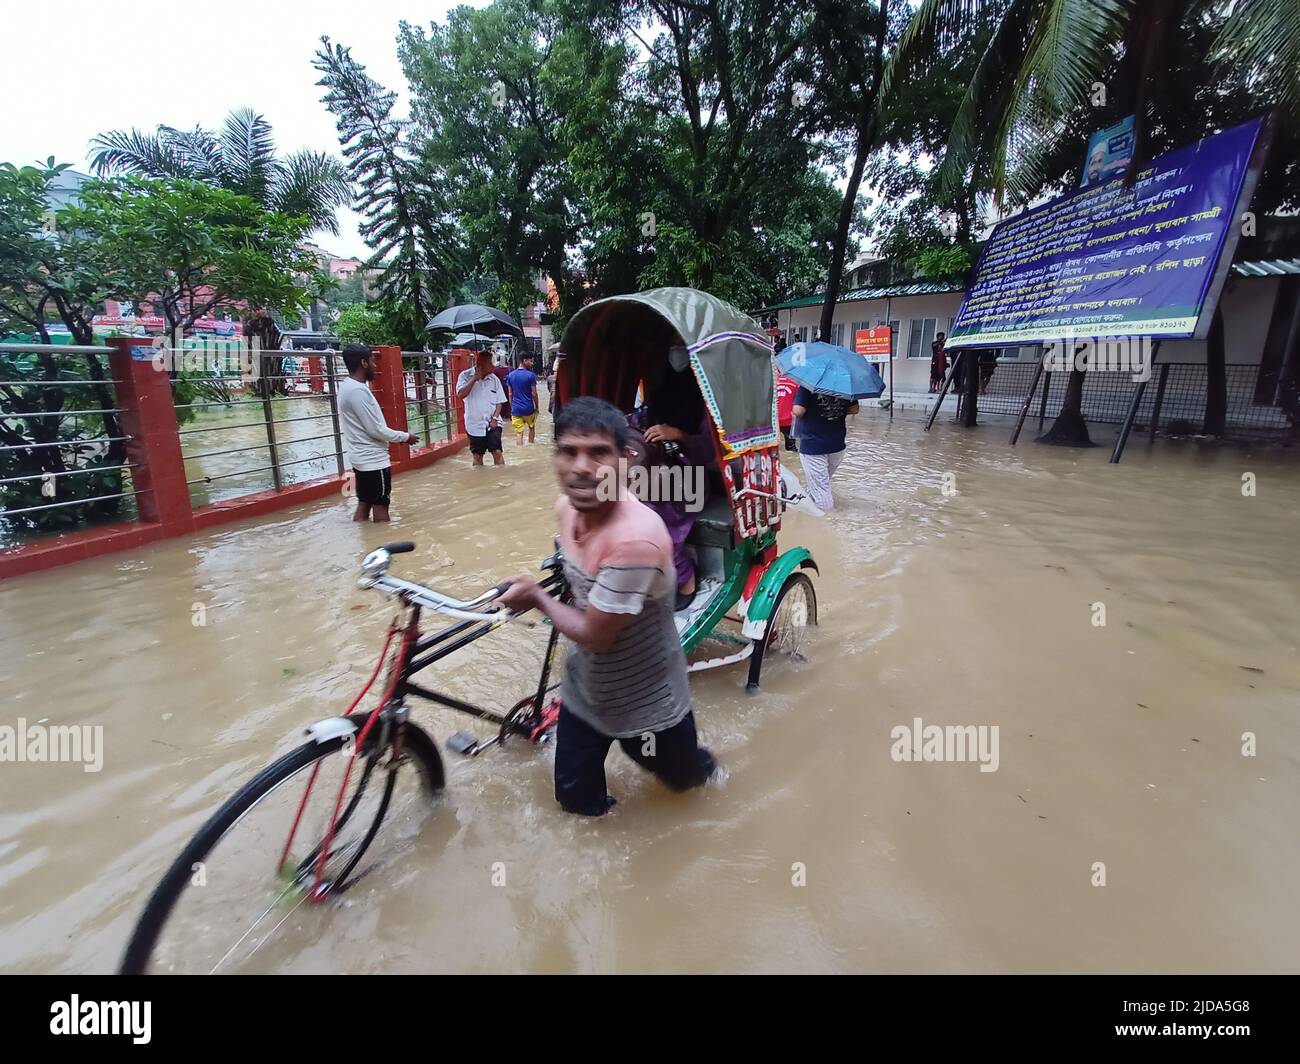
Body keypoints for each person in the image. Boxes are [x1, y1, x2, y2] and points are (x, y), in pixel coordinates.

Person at [497, 397, 716, 817]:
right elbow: (577, 584)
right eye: (568, 451)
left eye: (598, 452)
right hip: (586, 692)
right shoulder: (565, 509)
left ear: (624, 459)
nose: (582, 466)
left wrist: (537, 598)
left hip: (649, 701)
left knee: (687, 784)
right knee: (577, 804)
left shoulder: (635, 538)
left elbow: (597, 636)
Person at [634, 346, 711, 610]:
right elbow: (637, 421)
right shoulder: (657, 398)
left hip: (692, 477)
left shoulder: (704, 405)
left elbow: (710, 451)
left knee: (656, 518)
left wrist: (677, 434)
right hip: (656, 471)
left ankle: (686, 578)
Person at [338, 343, 420, 522]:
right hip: (374, 461)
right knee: (381, 506)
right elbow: (376, 430)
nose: (375, 365)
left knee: (364, 502)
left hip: (361, 459)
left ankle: (366, 542)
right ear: (363, 363)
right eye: (371, 361)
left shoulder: (346, 387)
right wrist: (405, 437)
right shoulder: (358, 391)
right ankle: (383, 544)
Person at [793, 386, 858, 512]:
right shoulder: (845, 385)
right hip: (837, 445)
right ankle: (806, 512)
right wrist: (836, 411)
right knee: (819, 484)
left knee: (821, 490)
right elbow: (855, 409)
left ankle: (829, 522)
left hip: (813, 446)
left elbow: (798, 411)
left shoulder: (808, 385)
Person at [456, 348, 508, 466]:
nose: (493, 366)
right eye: (490, 363)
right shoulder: (464, 376)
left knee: (497, 452)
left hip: (493, 423)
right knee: (478, 456)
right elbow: (460, 395)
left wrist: (495, 418)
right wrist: (474, 379)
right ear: (480, 364)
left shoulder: (494, 379)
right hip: (474, 424)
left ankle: (501, 479)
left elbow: (500, 401)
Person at [506, 352, 540, 445]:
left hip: (516, 409)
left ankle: (520, 451)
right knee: (531, 428)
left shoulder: (510, 375)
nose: (532, 364)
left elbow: (510, 394)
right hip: (528, 408)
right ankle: (531, 446)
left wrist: (512, 407)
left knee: (519, 433)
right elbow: (534, 393)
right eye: (531, 361)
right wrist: (537, 407)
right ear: (524, 361)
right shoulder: (530, 375)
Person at [775, 347, 799, 452]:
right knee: (791, 450)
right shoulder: (796, 384)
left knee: (774, 450)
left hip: (774, 421)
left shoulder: (774, 382)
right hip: (789, 421)